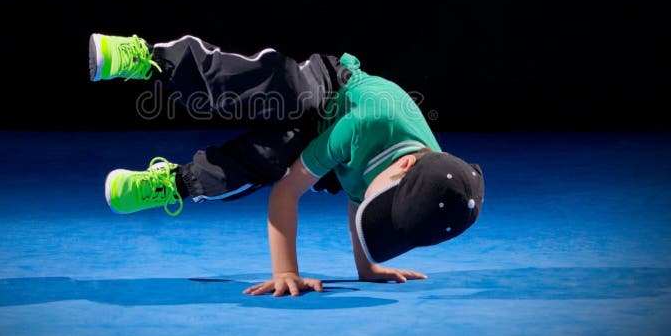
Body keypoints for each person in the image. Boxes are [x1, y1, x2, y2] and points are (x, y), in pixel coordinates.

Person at [89, 33, 485, 297]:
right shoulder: (368, 125)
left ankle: (173, 183)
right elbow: (288, 193)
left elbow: (362, 199)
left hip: (335, 151)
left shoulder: (411, 177)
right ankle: (151, 61)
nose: (378, 202)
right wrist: (286, 272)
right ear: (407, 164)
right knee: (283, 87)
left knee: (262, 162)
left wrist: (368, 267)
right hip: (330, 91)